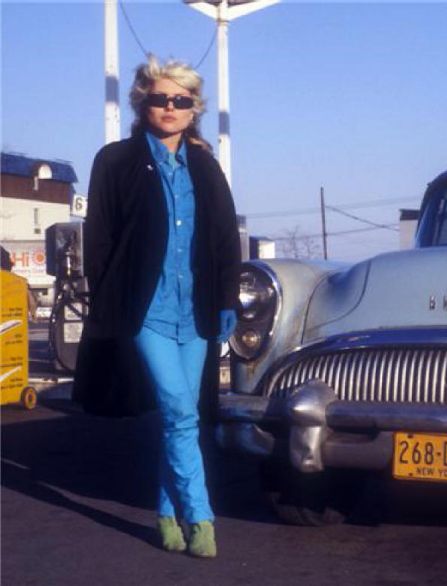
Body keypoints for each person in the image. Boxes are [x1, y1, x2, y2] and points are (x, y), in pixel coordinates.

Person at [73, 55, 241, 558]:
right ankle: (202, 518)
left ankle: (167, 513)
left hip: (197, 311)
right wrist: (107, 300)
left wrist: (227, 298)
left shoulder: (206, 166)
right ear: (142, 103)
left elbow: (225, 238)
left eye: (181, 100)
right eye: (160, 98)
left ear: (194, 109)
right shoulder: (116, 161)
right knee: (177, 411)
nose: (169, 107)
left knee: (184, 413)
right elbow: (98, 237)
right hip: (144, 311)